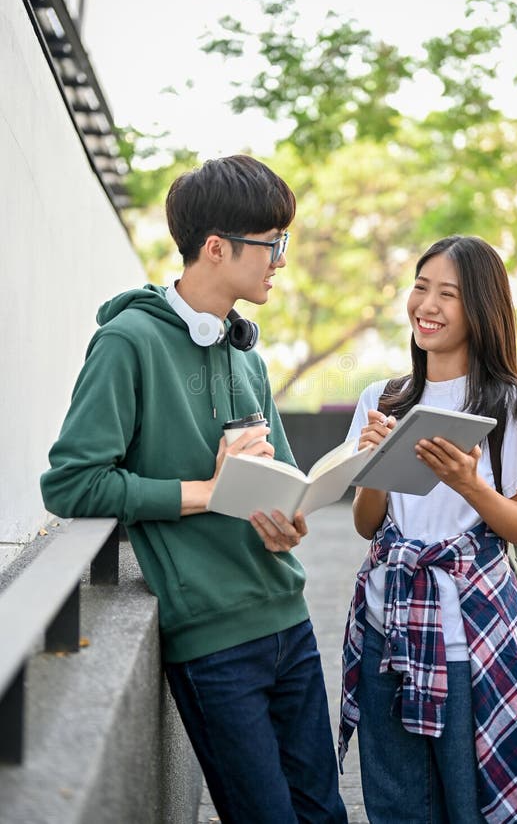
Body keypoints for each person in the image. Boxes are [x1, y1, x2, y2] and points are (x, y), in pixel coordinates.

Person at [41, 155, 347, 824]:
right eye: (272, 244)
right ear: (215, 248)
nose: (282, 261)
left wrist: (289, 521)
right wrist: (207, 491)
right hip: (211, 639)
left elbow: (285, 486)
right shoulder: (127, 342)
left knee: (324, 815)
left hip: (287, 618)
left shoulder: (246, 354)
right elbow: (72, 483)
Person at [339, 235, 517, 824]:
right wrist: (373, 467)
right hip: (387, 628)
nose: (426, 305)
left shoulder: (511, 405)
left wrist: (470, 486)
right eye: (421, 287)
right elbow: (366, 524)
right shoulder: (382, 398)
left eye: (447, 294)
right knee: (396, 802)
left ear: (479, 308)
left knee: (471, 801)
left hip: (468, 639)